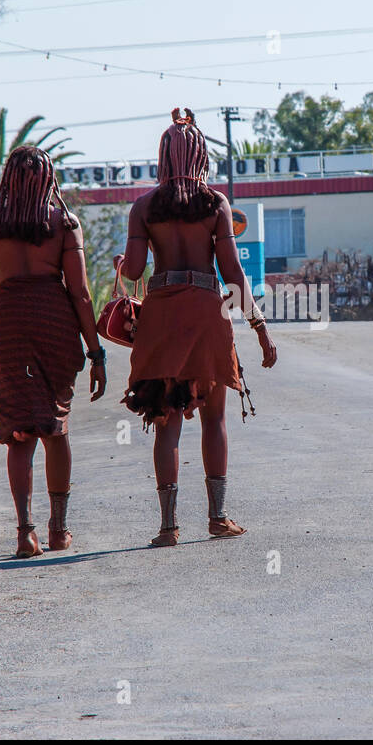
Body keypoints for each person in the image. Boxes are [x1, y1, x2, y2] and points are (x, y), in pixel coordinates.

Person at [117, 108, 277, 547]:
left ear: (163, 156)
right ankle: (217, 518)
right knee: (214, 418)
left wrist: (122, 263)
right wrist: (258, 325)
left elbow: (132, 271)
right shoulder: (215, 204)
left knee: (167, 418)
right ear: (202, 155)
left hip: (163, 313)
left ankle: (168, 528)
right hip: (208, 312)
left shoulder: (145, 207)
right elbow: (232, 273)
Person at [0, 145, 107, 558]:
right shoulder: (65, 225)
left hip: (6, 329)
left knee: (19, 434)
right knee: (54, 427)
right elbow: (81, 294)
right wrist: (96, 352)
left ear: (8, 181)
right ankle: (59, 529)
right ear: (49, 180)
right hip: (54, 326)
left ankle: (24, 533)